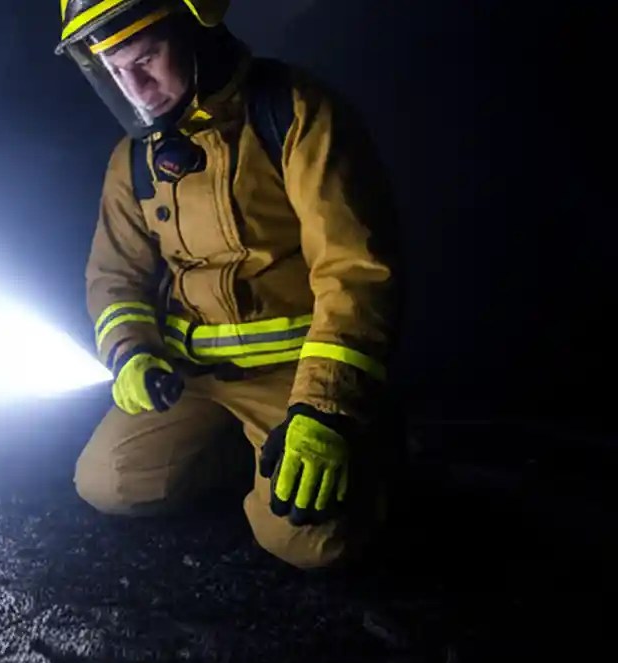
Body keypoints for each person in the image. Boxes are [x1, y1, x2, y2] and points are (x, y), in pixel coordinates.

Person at [57, 0, 401, 569]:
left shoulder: (294, 113)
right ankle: (240, 448)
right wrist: (132, 354)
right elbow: (115, 276)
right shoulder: (133, 159)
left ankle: (369, 448)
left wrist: (326, 408)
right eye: (117, 72)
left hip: (297, 379)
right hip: (190, 380)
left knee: (312, 542)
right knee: (110, 483)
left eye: (146, 59)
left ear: (195, 25)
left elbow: (355, 271)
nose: (137, 88)